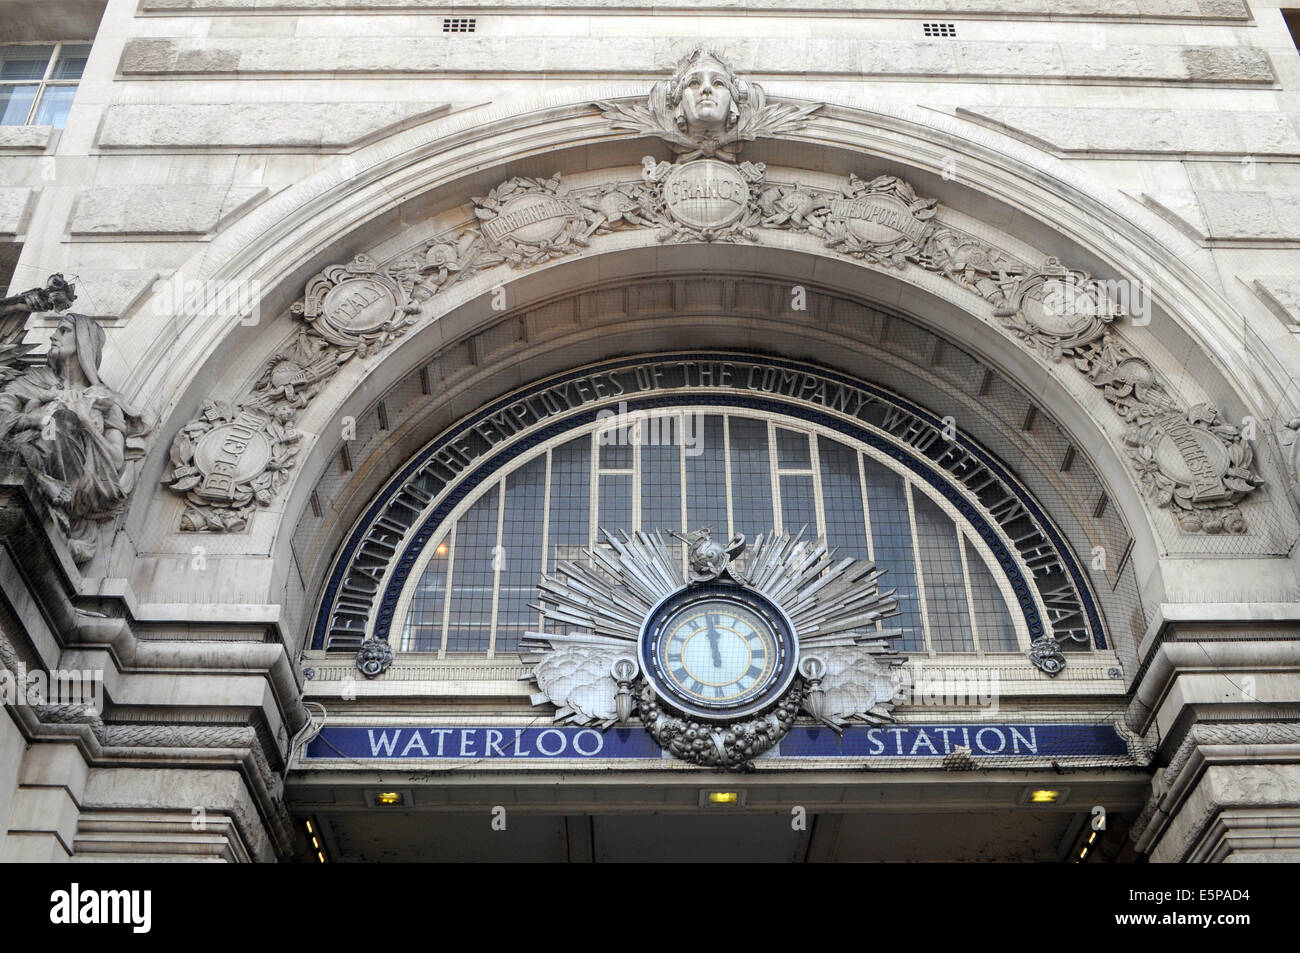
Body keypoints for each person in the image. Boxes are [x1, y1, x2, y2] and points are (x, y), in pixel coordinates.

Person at [0, 312, 150, 562]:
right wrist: (34, 415)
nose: (53, 335)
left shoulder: (103, 401)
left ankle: (47, 485)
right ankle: (41, 480)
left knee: (61, 422)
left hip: (73, 473)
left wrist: (83, 420)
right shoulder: (33, 381)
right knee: (43, 432)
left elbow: (114, 460)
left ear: (83, 340)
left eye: (64, 330)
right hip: (21, 452)